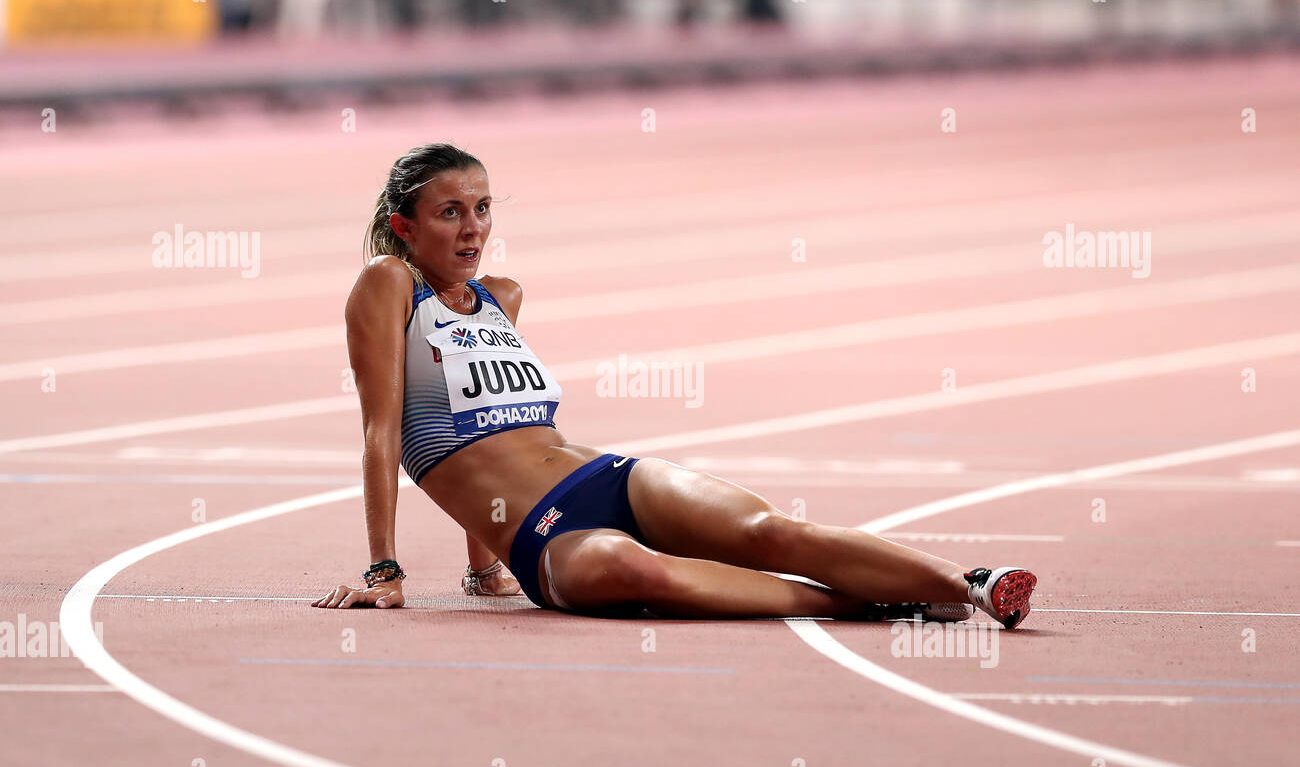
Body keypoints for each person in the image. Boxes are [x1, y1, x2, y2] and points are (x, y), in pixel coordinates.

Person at [312, 143, 1037, 628]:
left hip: (604, 476)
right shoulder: (388, 285)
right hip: (550, 540)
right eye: (450, 213)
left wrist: (479, 569)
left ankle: (966, 580)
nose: (473, 229)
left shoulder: (503, 294)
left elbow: (486, 417)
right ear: (404, 227)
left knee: (768, 530)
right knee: (644, 570)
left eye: (483, 208)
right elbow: (387, 429)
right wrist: (385, 568)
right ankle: (872, 603)